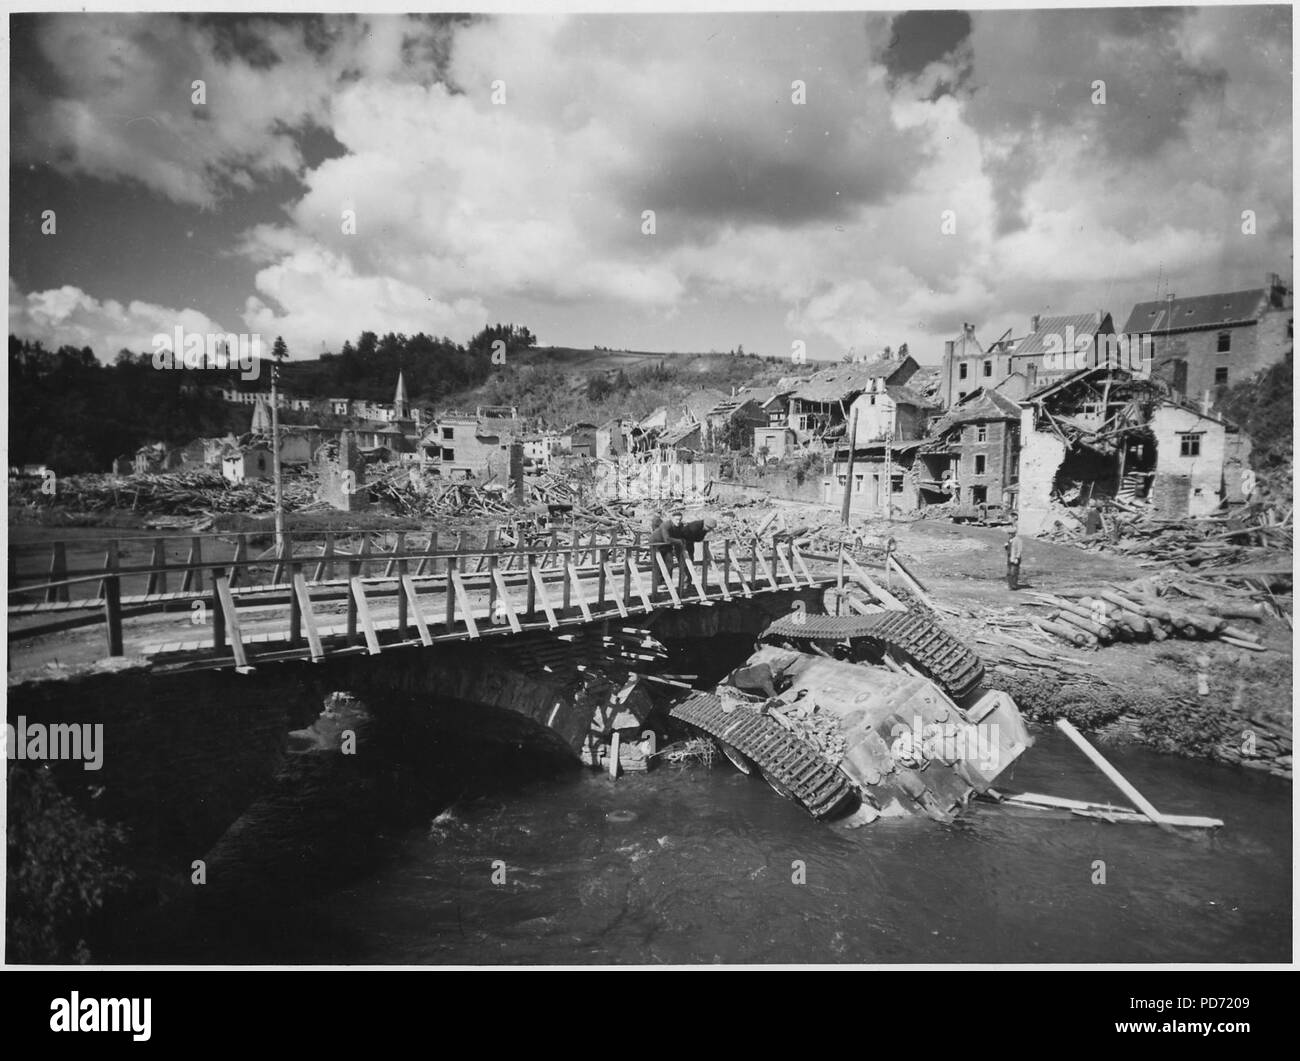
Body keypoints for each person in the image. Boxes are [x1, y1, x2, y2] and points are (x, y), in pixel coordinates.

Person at [668, 514, 718, 591]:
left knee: (690, 563)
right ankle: (683, 585)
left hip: (689, 544)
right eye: (709, 528)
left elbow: (698, 539)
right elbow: (685, 535)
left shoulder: (703, 528)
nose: (709, 531)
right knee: (684, 564)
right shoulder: (695, 527)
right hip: (682, 545)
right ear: (706, 525)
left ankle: (687, 583)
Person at [1004, 526, 1023, 590]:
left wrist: (1017, 558)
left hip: (1015, 558)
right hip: (1009, 558)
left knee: (1014, 572)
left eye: (1011, 533)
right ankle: (1010, 585)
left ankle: (1014, 585)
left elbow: (1019, 550)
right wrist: (1006, 546)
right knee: (1009, 572)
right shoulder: (1010, 540)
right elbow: (1009, 550)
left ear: (1014, 533)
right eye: (1009, 533)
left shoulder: (1018, 540)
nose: (1009, 535)